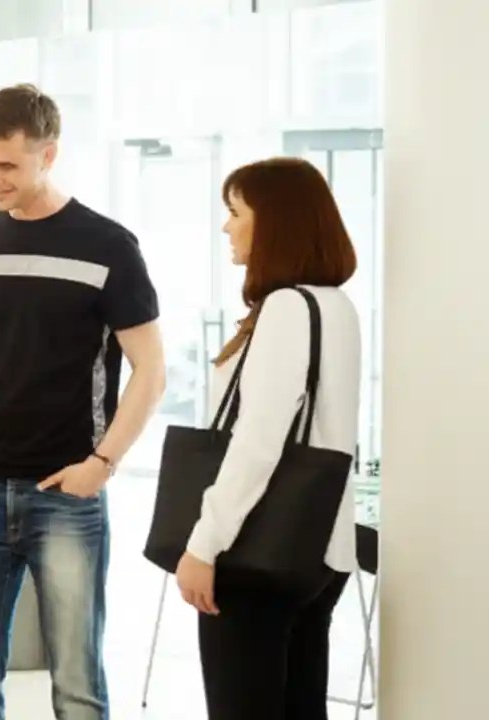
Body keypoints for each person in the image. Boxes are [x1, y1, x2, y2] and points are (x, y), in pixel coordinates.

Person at [0, 84, 166, 720]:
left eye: (6, 165)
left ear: (48, 154)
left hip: (67, 492)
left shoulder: (108, 246)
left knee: (78, 688)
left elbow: (151, 369)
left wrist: (104, 463)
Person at [174, 157, 360, 720]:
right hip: (320, 550)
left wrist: (203, 545)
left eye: (235, 213)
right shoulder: (336, 305)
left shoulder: (284, 307)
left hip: (257, 551)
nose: (226, 227)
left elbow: (257, 440)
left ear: (274, 222)